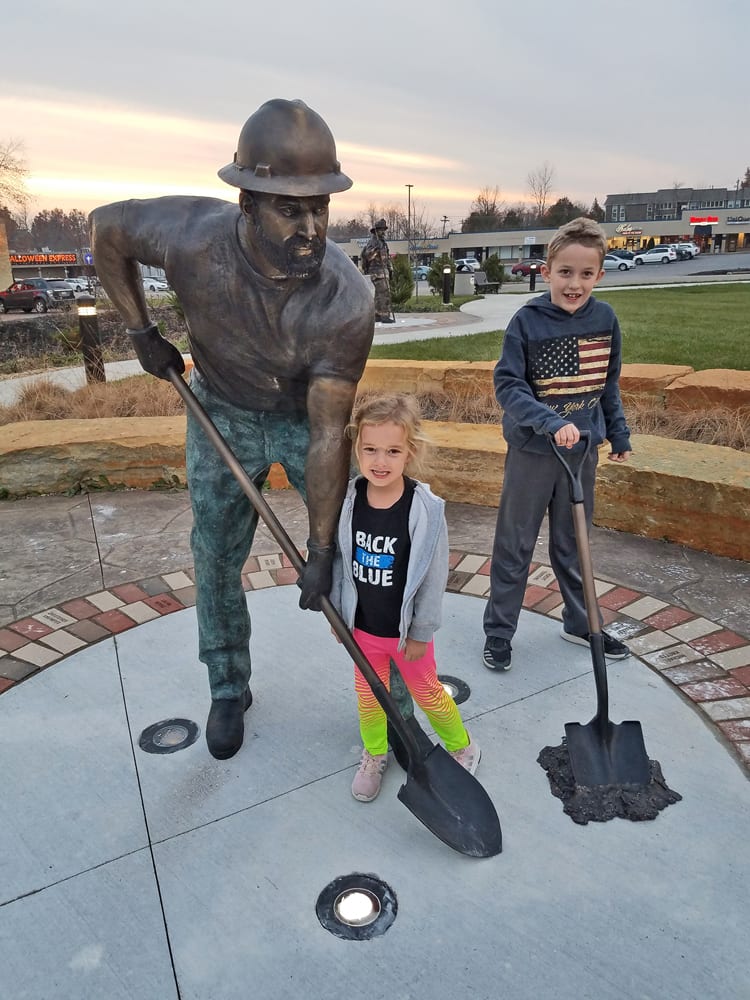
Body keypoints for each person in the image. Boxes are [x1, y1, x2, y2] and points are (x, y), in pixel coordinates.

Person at [89, 99, 375, 759]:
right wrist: (140, 331)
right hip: (219, 409)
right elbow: (106, 230)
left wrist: (321, 549)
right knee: (215, 555)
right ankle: (226, 684)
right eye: (289, 209)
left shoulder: (346, 301)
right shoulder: (190, 238)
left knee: (356, 556)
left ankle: (382, 675)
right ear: (246, 202)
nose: (311, 229)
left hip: (305, 420)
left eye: (321, 208)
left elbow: (329, 435)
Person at [482, 216, 632, 672]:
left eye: (586, 274)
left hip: (581, 452)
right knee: (516, 544)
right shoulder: (527, 322)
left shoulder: (604, 320)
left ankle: (582, 623)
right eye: (565, 272)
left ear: (599, 276)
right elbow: (508, 385)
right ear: (546, 270)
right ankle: (499, 633)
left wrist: (618, 433)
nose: (574, 283)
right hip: (533, 453)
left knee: (575, 544)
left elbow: (608, 384)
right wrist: (547, 421)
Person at [330, 393, 479, 802]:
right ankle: (375, 754)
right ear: (356, 448)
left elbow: (433, 578)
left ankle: (462, 745)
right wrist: (337, 617)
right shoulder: (348, 500)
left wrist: (421, 631)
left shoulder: (424, 509)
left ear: (410, 452)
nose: (380, 461)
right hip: (362, 629)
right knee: (368, 696)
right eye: (370, 449)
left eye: (392, 451)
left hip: (406, 635)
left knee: (428, 693)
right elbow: (341, 562)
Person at [361, 218, 394, 323]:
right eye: (381, 230)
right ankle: (384, 315)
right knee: (384, 292)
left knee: (380, 293)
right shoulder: (373, 242)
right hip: (377, 272)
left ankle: (377, 314)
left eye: (384, 230)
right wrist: (376, 251)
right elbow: (367, 256)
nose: (383, 232)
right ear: (376, 231)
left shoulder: (383, 243)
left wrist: (390, 268)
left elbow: (387, 258)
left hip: (384, 271)